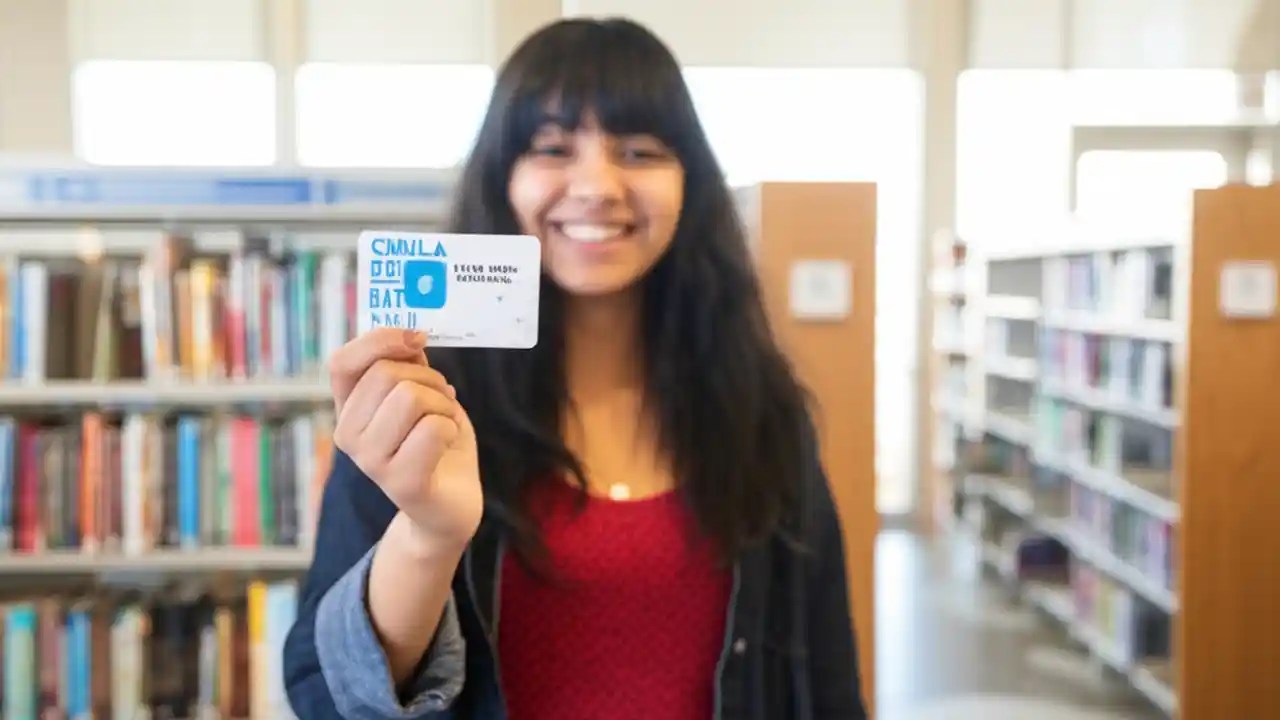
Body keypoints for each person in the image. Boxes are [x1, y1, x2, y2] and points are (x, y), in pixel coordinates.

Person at [283, 16, 868, 720]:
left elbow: (827, 681)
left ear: (692, 185)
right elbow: (325, 695)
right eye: (553, 148)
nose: (597, 185)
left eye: (640, 150)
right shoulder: (420, 407)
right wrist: (429, 535)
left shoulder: (763, 416)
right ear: (503, 181)